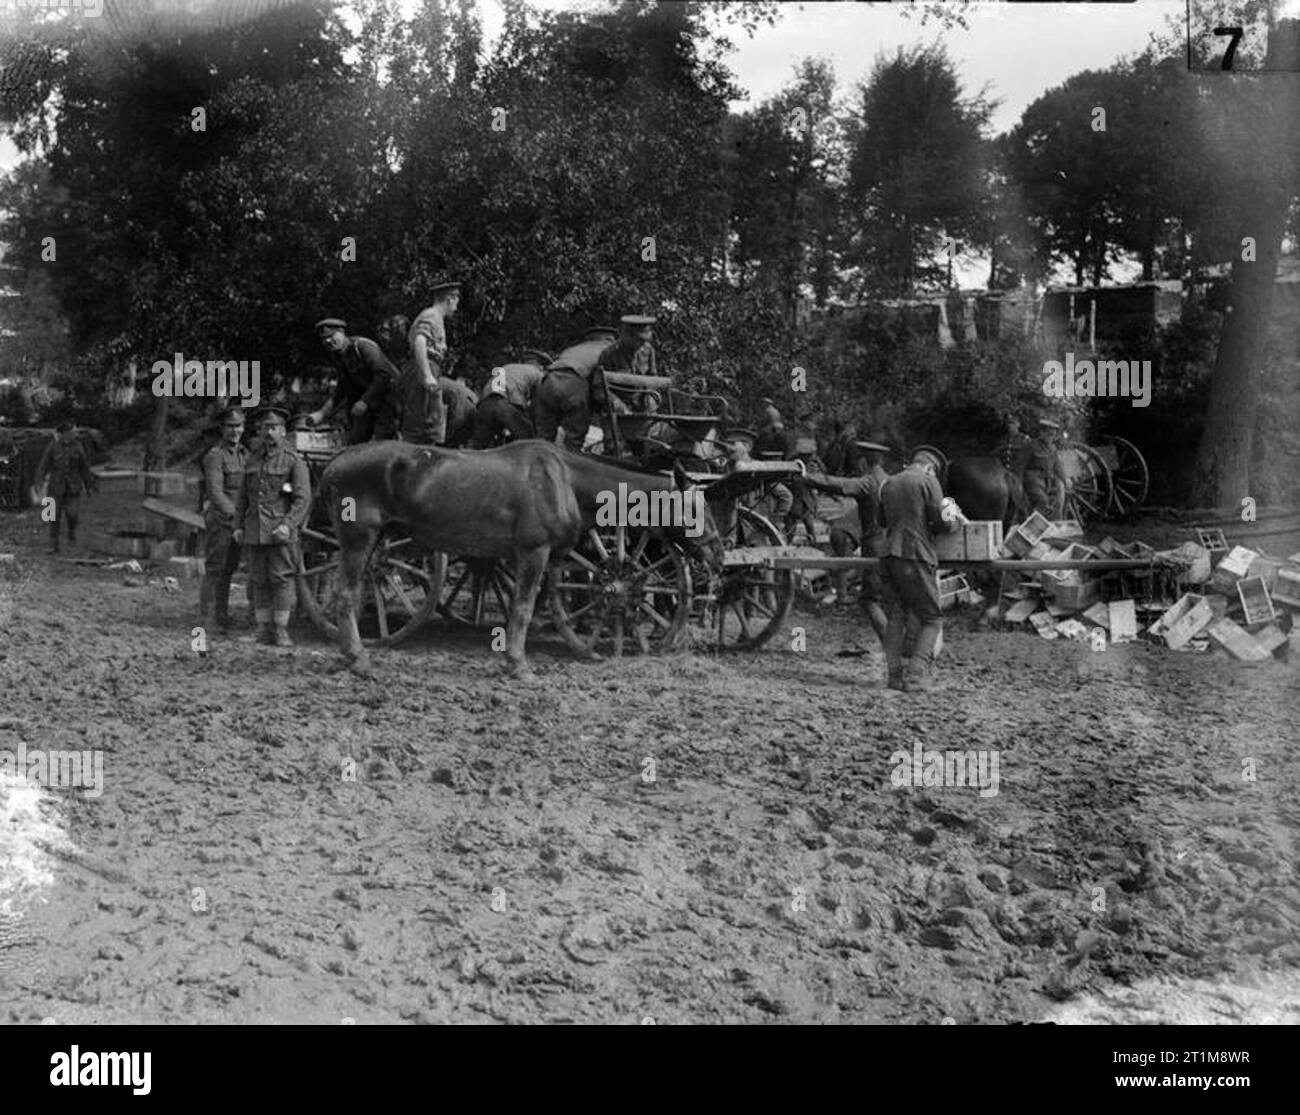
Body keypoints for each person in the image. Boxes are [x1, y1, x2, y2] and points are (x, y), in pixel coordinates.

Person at [878, 447, 964, 692]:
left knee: (896, 616)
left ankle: (894, 676)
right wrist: (955, 519)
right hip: (915, 554)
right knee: (932, 618)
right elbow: (943, 523)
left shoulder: (888, 482)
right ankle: (916, 675)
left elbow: (881, 520)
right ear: (930, 468)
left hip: (889, 555)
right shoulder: (928, 481)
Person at [232, 408, 311, 647]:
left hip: (280, 531)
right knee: (258, 580)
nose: (269, 432)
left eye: (274, 428)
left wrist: (288, 525)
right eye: (265, 428)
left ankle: (281, 630)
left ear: (283, 431)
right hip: (255, 529)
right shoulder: (252, 459)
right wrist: (238, 526)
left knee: (281, 579)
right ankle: (262, 629)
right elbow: (242, 498)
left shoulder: (293, 460)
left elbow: (302, 499)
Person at [800, 440, 891, 643]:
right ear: (882, 461)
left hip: (875, 544)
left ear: (863, 462)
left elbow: (838, 484)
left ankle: (890, 644)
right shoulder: (893, 481)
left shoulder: (868, 482)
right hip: (895, 544)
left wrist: (807, 477)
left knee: (870, 599)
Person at [306, 319, 401, 444]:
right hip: (369, 401)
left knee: (383, 441)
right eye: (324, 339)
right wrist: (322, 413)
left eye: (331, 336)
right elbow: (343, 387)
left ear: (342, 332)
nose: (328, 341)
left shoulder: (362, 346)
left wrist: (364, 401)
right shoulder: (338, 356)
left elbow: (384, 375)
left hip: (390, 396)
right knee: (356, 440)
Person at [199, 408, 247, 632]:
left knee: (229, 568)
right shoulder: (215, 456)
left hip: (238, 523)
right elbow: (215, 492)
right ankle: (208, 618)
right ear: (222, 428)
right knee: (215, 568)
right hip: (221, 520)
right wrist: (236, 517)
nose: (235, 431)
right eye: (231, 426)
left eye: (239, 426)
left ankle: (222, 613)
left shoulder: (245, 454)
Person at [399, 282, 461, 445]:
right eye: (456, 301)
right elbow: (420, 342)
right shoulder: (431, 315)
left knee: (430, 420)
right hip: (424, 366)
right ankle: (411, 456)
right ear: (450, 299)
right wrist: (426, 375)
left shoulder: (436, 317)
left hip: (428, 366)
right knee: (420, 422)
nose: (456, 307)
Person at [536, 326, 618, 451]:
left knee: (544, 437)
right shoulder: (608, 351)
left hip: (548, 381)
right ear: (609, 339)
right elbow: (602, 387)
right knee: (574, 439)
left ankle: (540, 459)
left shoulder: (572, 349)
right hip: (573, 382)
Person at [36, 419, 97, 553]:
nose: (75, 435)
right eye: (72, 432)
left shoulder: (78, 447)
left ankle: (71, 534)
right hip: (55, 487)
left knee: (72, 514)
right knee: (52, 516)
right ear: (64, 434)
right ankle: (53, 543)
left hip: (73, 487)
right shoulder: (52, 447)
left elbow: (84, 467)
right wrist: (39, 483)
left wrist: (89, 486)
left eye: (75, 432)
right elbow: (43, 466)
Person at [470, 350, 548, 449]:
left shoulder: (508, 366)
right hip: (506, 404)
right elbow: (537, 405)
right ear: (540, 366)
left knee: (478, 445)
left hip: (484, 404)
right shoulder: (537, 373)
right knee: (528, 441)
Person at [1021, 417, 1068, 518]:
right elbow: (1021, 464)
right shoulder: (1031, 445)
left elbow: (1057, 466)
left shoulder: (1052, 448)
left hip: (1047, 482)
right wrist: (1018, 483)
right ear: (1042, 433)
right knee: (1042, 501)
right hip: (1032, 480)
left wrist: (1066, 479)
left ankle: (1052, 524)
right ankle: (1034, 526)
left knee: (1057, 501)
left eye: (1053, 435)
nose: (1052, 437)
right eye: (1050, 434)